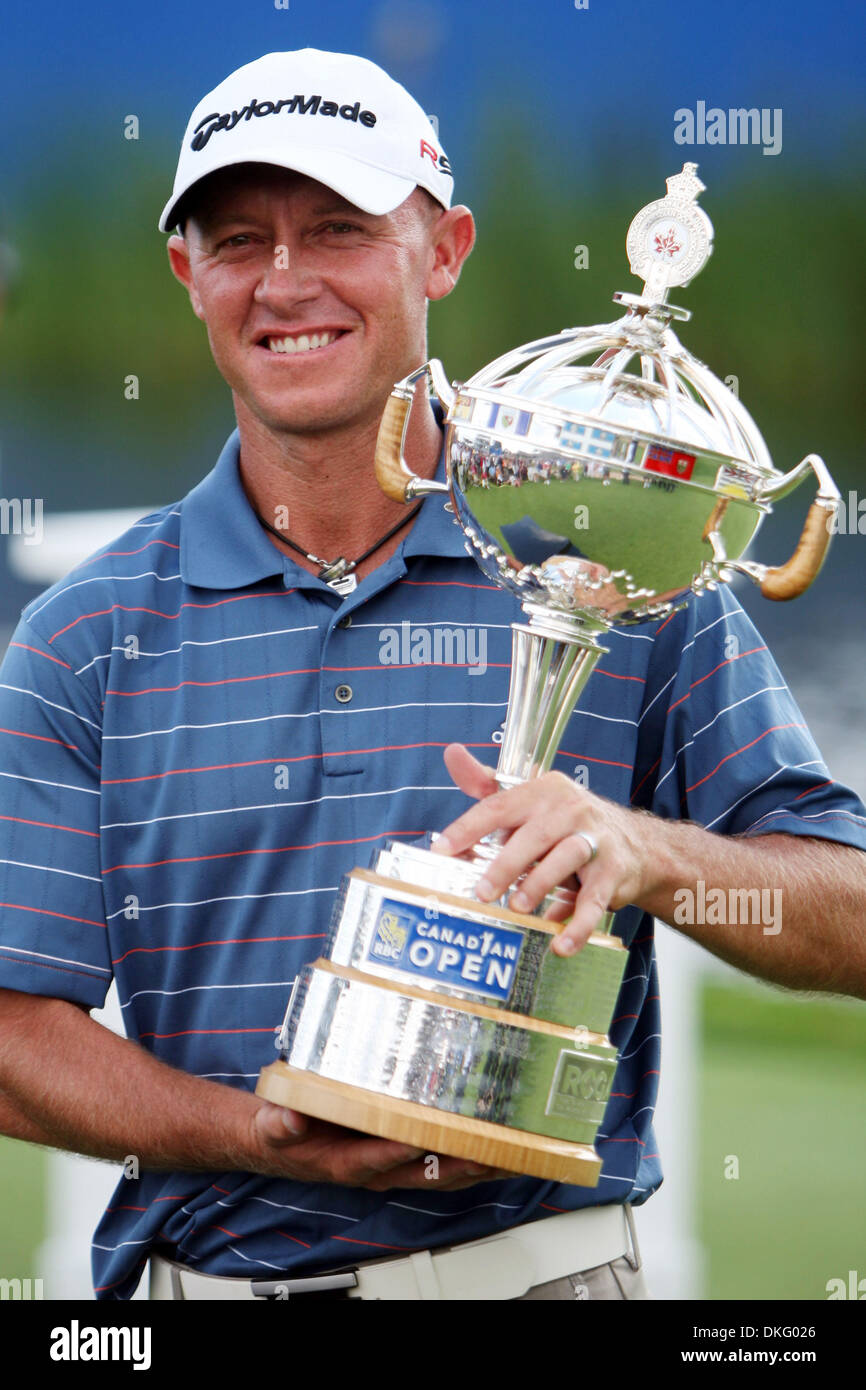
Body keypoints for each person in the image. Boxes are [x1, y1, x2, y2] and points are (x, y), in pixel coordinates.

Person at [0, 47, 864, 1303]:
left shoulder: (616, 554)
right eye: (238, 239)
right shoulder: (83, 632)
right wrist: (262, 1131)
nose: (285, 280)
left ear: (443, 249)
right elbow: (16, 1037)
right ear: (187, 274)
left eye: (338, 229)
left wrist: (642, 852)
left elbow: (846, 915)